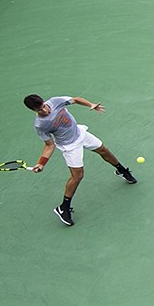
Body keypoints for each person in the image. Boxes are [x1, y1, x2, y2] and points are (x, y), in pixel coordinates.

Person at [23, 93, 135, 227]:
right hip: (69, 146)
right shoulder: (40, 125)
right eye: (40, 110)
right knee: (77, 176)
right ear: (33, 111)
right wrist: (41, 163)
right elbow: (49, 145)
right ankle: (63, 207)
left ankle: (121, 170)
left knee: (103, 150)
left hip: (79, 133)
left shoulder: (55, 101)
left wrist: (91, 104)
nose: (45, 110)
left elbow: (75, 100)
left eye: (43, 106)